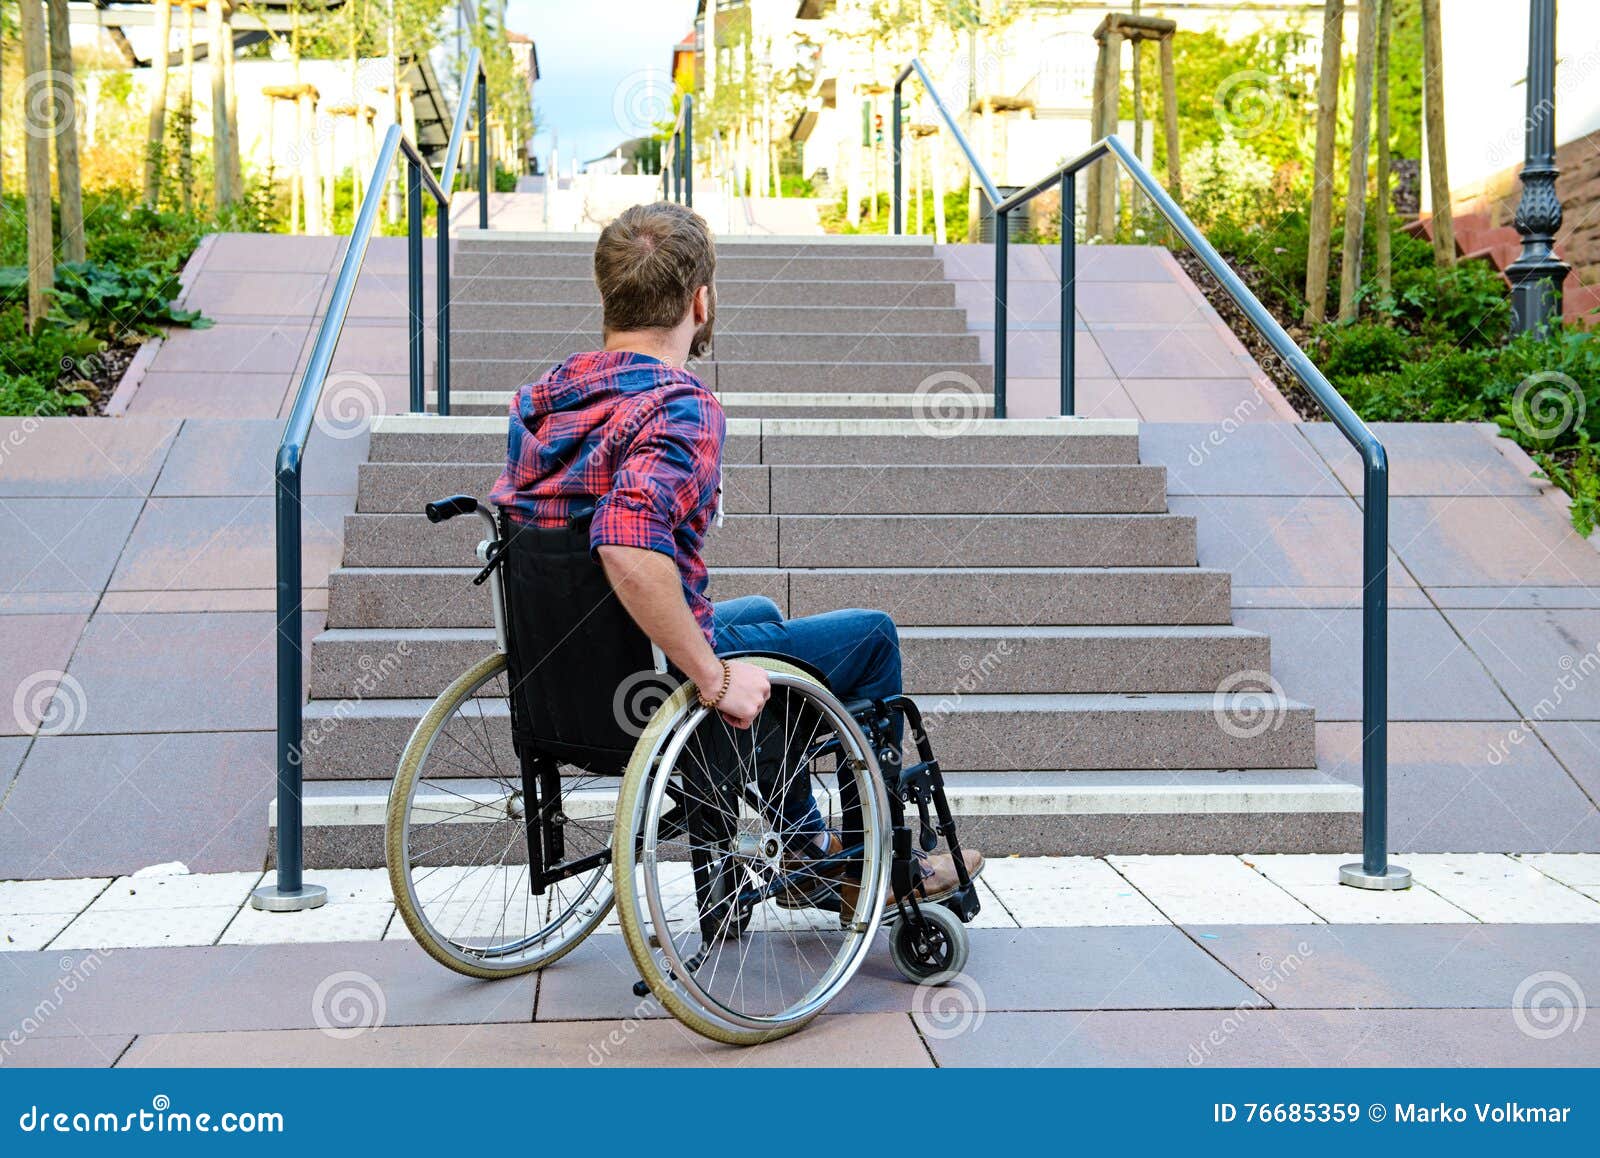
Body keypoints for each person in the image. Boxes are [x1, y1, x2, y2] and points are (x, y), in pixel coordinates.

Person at [488, 201, 981, 907]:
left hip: (567, 684)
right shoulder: (676, 408)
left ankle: (805, 847)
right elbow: (625, 546)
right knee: (871, 637)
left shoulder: (543, 400)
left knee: (762, 613)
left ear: (610, 294)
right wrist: (714, 678)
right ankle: (867, 870)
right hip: (654, 681)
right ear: (700, 299)